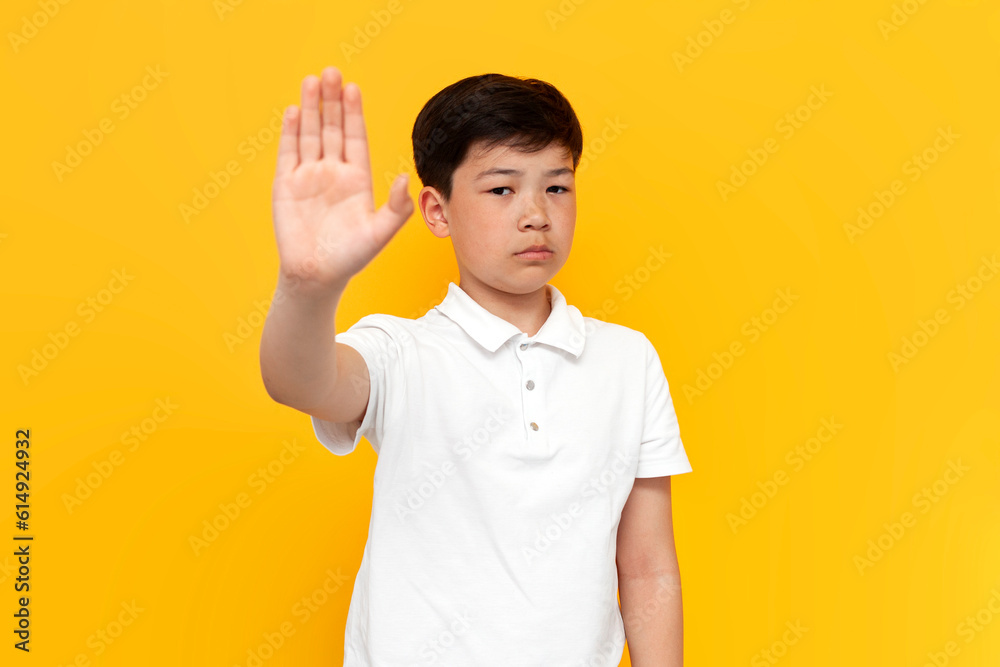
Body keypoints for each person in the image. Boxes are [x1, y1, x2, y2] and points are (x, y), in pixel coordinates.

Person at [260, 65, 692, 666]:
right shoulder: (400, 352)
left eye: (557, 187)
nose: (536, 214)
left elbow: (647, 568)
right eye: (501, 190)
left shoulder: (628, 359)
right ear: (437, 211)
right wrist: (307, 287)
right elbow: (298, 380)